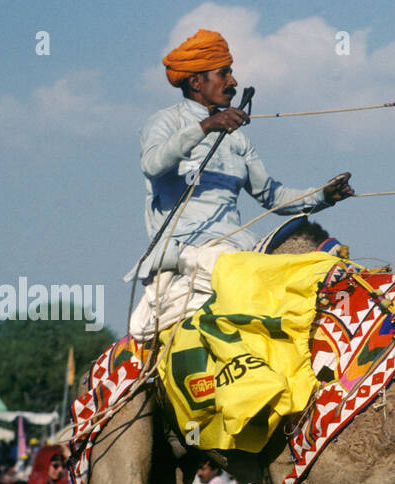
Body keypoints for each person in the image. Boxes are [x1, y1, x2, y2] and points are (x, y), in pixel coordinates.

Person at [130, 28, 353, 340]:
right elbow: (152, 165)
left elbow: (272, 196)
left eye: (231, 73)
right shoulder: (165, 122)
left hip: (237, 247)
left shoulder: (237, 139)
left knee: (317, 269)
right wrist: (206, 126)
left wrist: (323, 195)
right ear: (196, 82)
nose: (233, 82)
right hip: (186, 249)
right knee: (252, 282)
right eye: (224, 73)